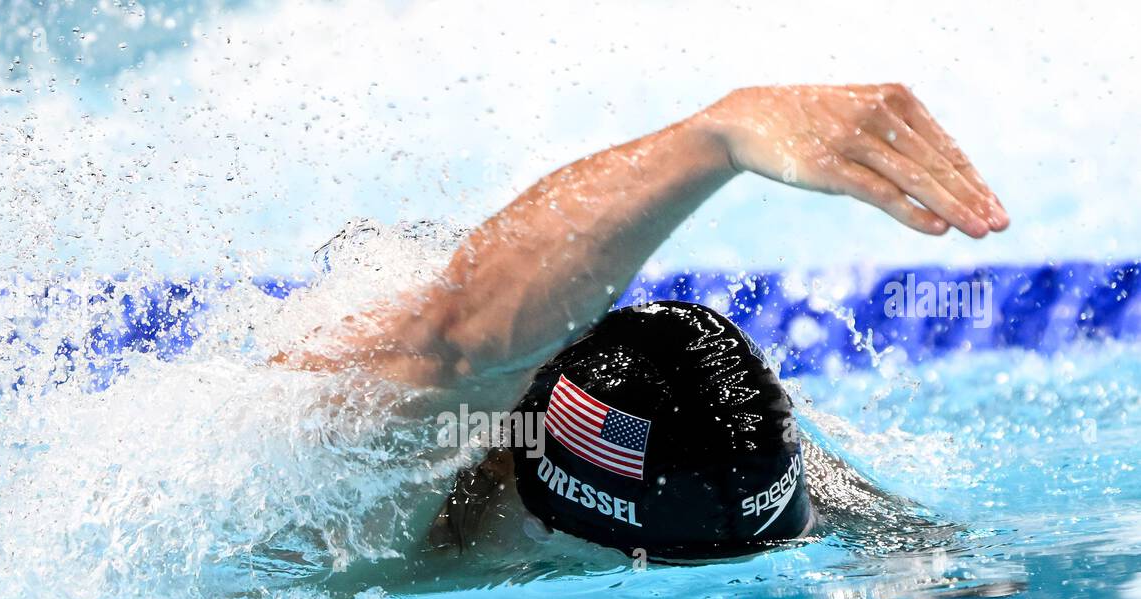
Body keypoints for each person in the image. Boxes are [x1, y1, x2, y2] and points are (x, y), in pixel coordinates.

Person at [277, 83, 1007, 561]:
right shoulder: (360, 498)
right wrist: (720, 138)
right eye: (659, 569)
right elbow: (457, 336)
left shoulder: (734, 461)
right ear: (545, 519)